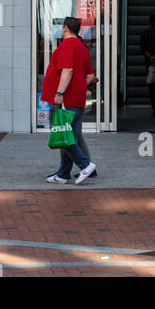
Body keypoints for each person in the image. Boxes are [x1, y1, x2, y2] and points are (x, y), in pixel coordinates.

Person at [41, 16, 97, 185]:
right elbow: (90, 75)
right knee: (69, 135)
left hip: (65, 99)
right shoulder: (82, 46)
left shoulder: (67, 45)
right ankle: (64, 174)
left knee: (63, 135)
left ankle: (85, 165)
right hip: (76, 99)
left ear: (65, 28)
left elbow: (67, 70)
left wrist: (60, 92)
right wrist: (79, 86)